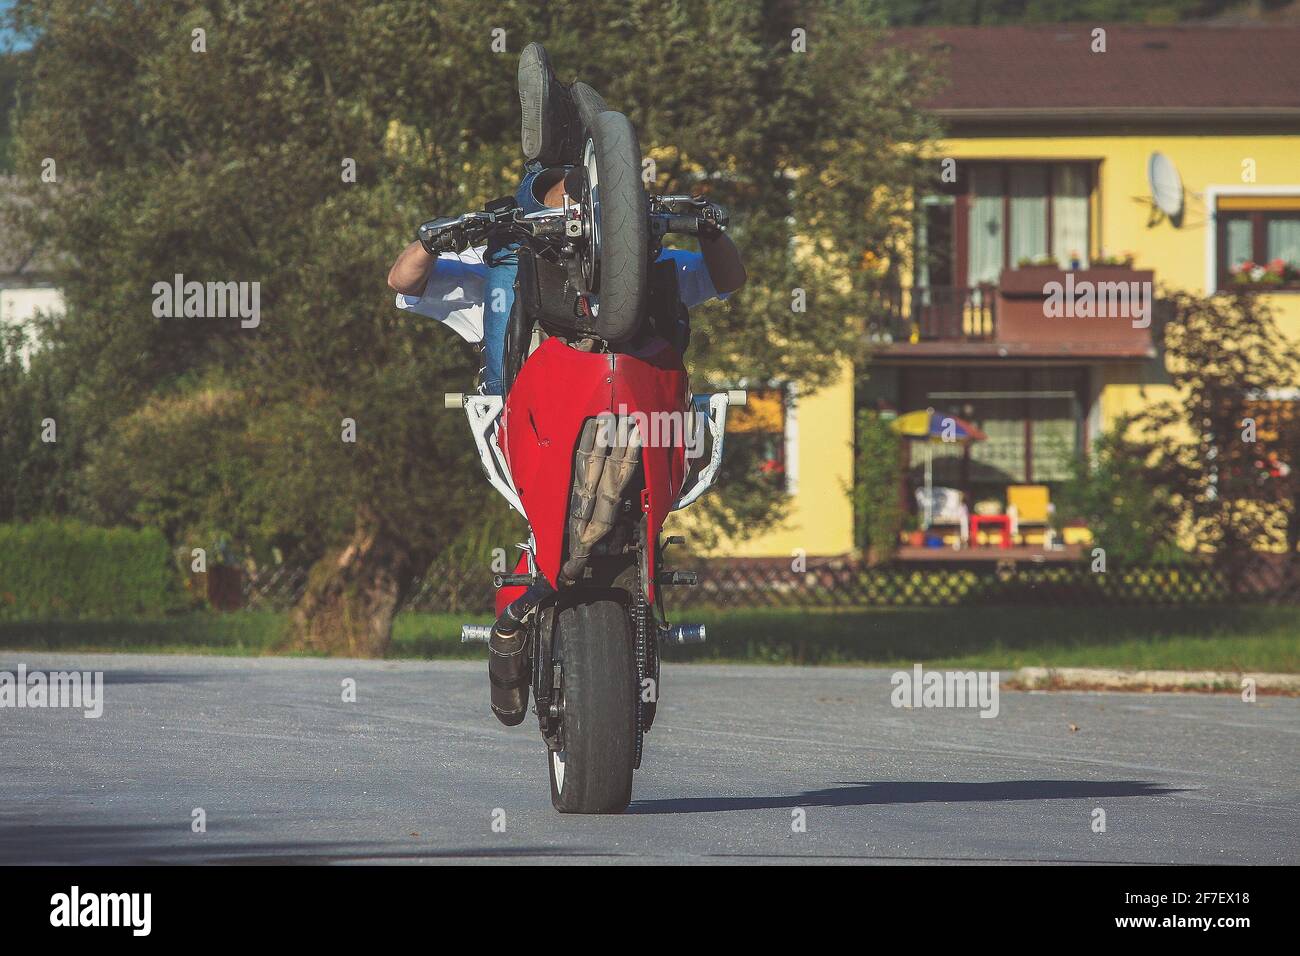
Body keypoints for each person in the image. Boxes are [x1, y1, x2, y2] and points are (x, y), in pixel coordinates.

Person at [387, 43, 745, 394]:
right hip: (533, 411)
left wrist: (707, 229)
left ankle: (575, 156)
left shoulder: (641, 268)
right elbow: (403, 281)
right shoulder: (489, 269)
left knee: (637, 265)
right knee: (512, 254)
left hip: (633, 404)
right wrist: (431, 243)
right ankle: (571, 157)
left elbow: (727, 278)